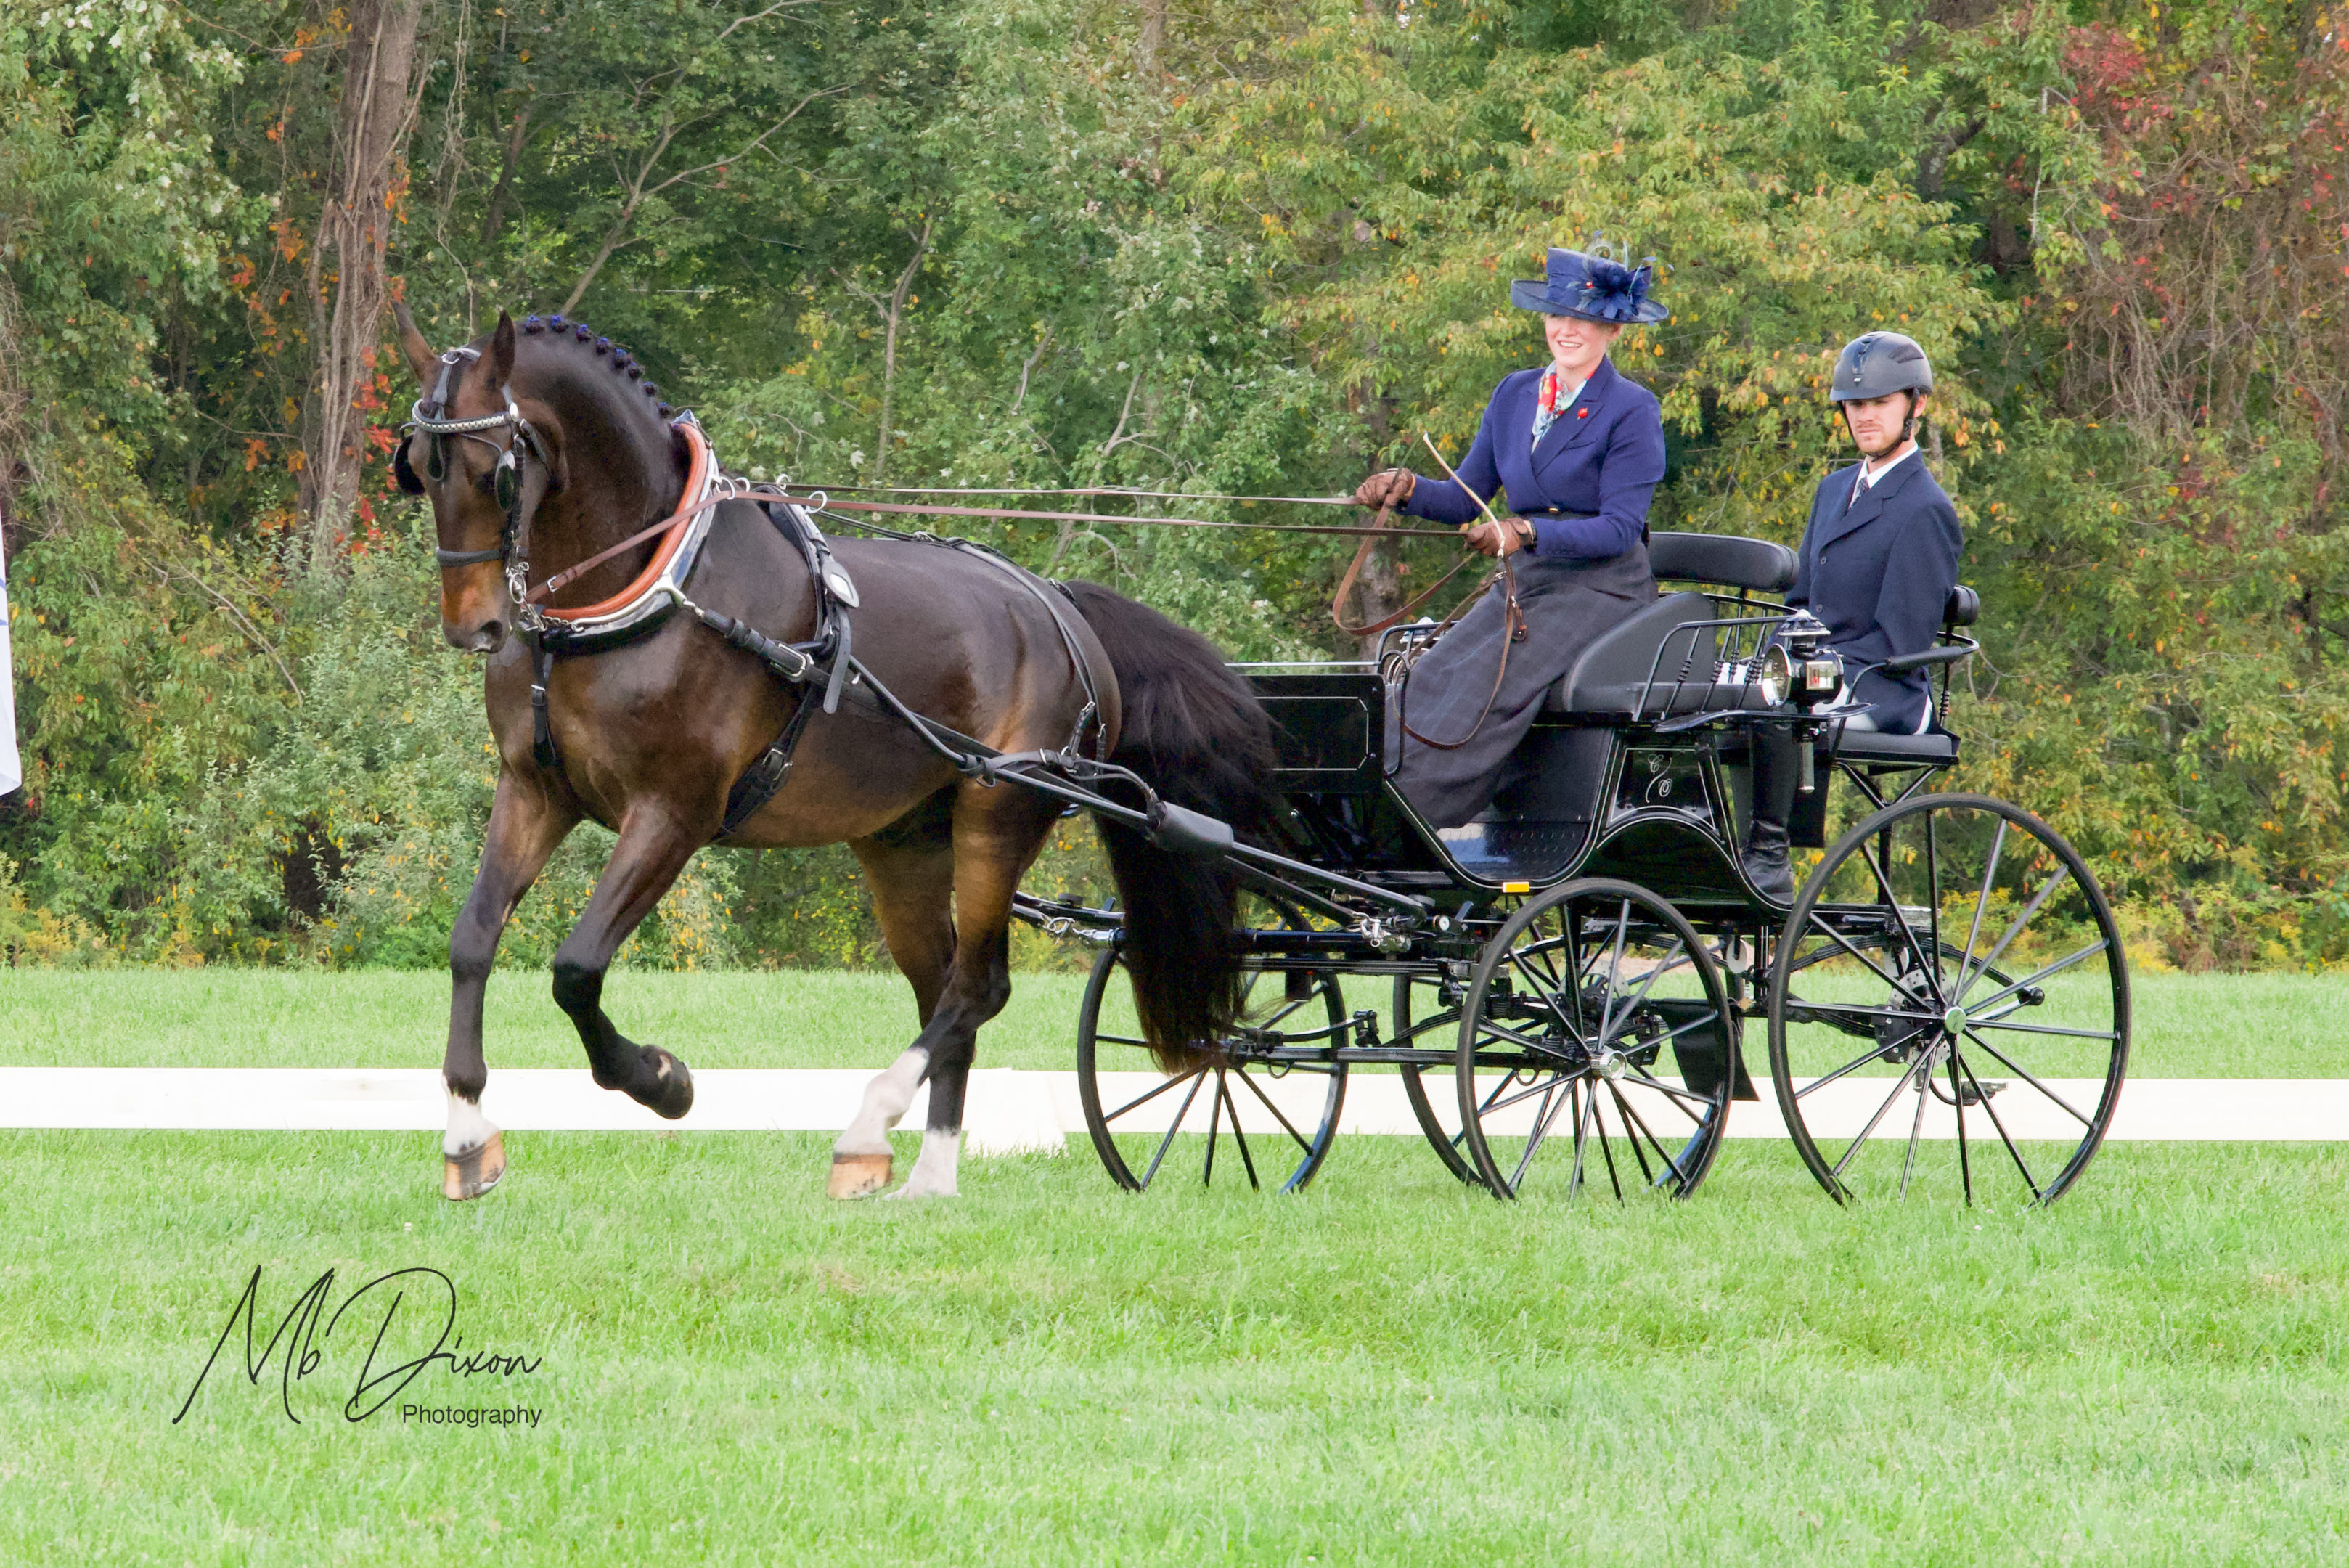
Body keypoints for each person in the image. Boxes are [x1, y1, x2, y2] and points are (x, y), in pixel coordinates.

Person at [1353, 243, 1670, 828]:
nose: (1566, 329)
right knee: (1430, 676)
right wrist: (1408, 489)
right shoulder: (1514, 395)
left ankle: (1411, 821)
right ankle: (1363, 806)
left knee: (1480, 694)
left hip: (1602, 591)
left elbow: (1621, 528)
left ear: (1611, 329)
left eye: (1583, 318)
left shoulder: (1632, 409)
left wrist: (1525, 531)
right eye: (1557, 315)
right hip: (1526, 584)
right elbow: (1461, 497)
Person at [1740, 330, 1965, 901]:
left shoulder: (1925, 509)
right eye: (1856, 405)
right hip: (1820, 676)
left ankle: (1767, 856)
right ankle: (1711, 848)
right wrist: (1779, 659)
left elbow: (1902, 640)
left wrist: (1813, 675)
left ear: (1915, 405)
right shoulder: (1833, 489)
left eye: (1880, 403)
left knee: (1777, 705)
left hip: (1882, 689)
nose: (1865, 416)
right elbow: (1800, 605)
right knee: (1715, 695)